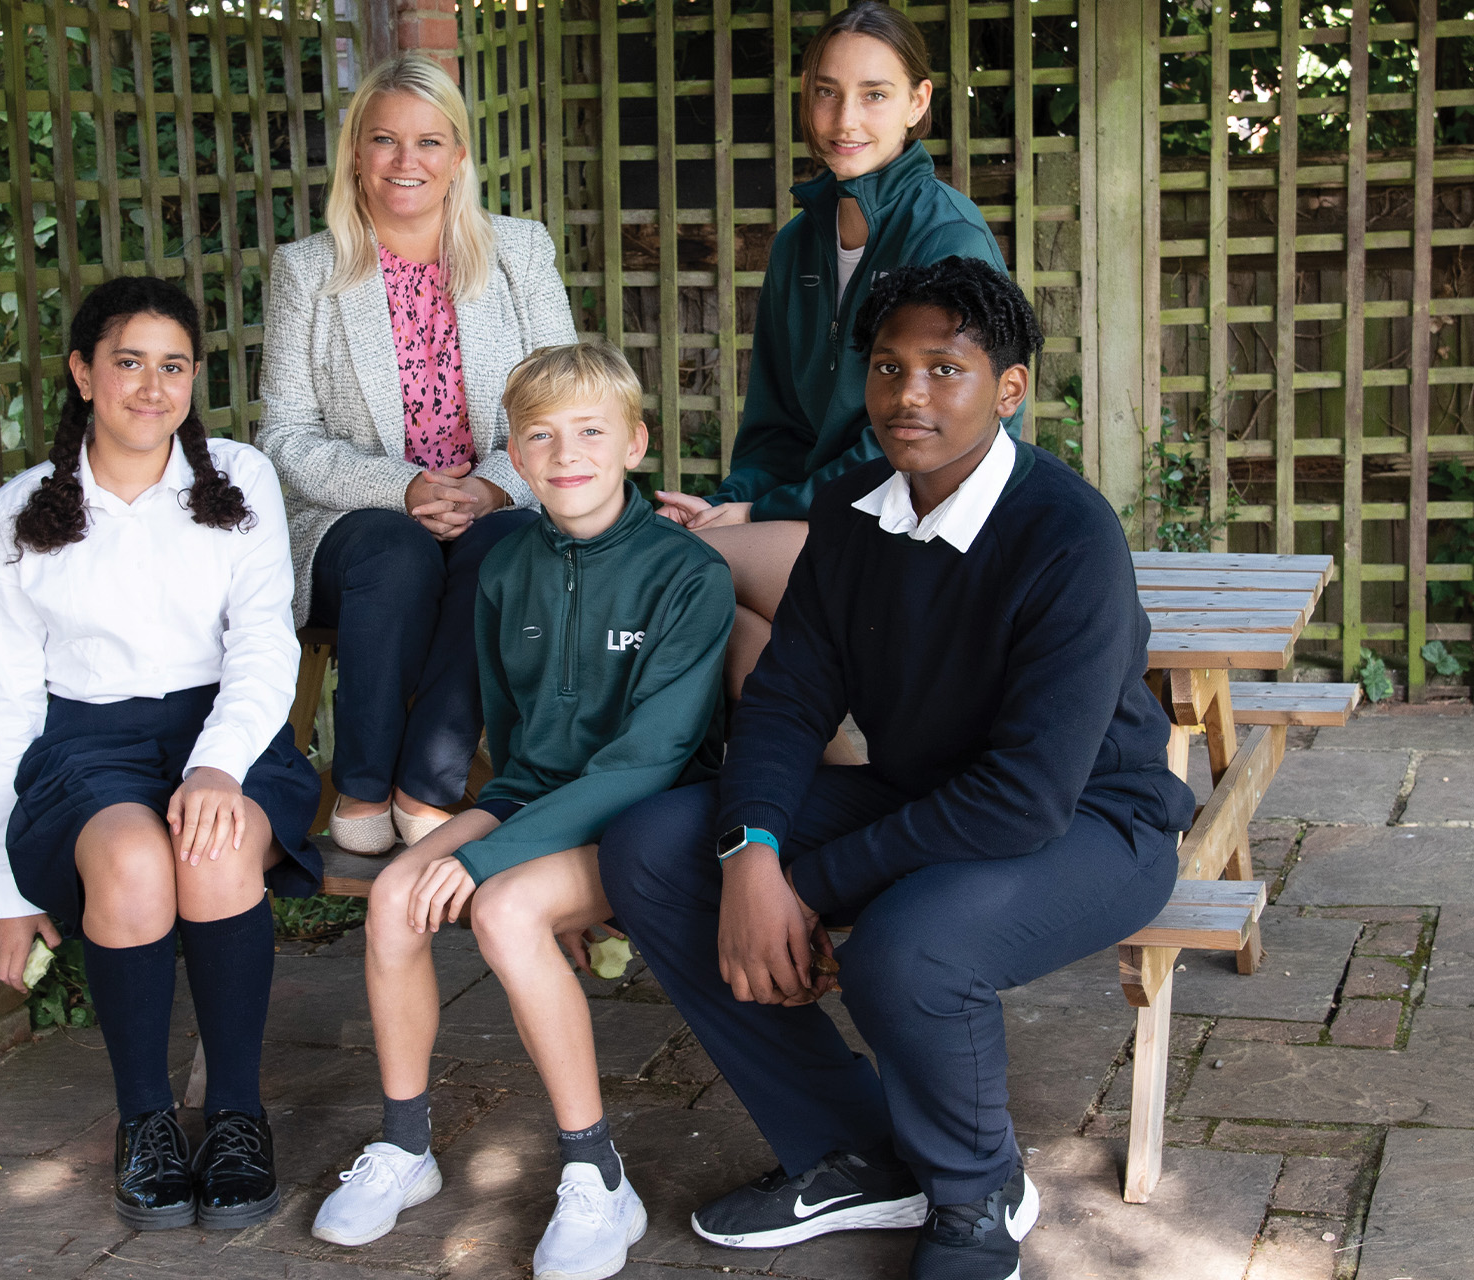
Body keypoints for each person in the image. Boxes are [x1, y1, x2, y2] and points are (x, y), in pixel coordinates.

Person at [600, 258, 1197, 1280]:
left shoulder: (1068, 534)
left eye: (943, 368)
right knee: (655, 847)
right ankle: (861, 1150)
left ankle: (976, 1190)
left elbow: (1025, 794)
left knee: (908, 945)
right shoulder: (854, 511)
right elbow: (788, 698)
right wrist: (752, 852)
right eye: (887, 365)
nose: (908, 393)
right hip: (930, 790)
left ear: (1007, 391)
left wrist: (803, 886)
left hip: (1093, 820)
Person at [310, 343, 735, 1280]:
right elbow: (510, 729)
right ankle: (406, 1148)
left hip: (647, 813)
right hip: (532, 797)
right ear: (515, 452)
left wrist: (498, 856)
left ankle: (597, 1176)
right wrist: (488, 830)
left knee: (501, 908)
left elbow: (653, 755)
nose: (566, 452)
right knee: (393, 897)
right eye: (540, 435)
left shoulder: (685, 575)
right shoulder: (506, 568)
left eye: (590, 431)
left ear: (636, 442)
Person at [0, 276, 323, 1233]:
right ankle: (145, 1123)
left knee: (210, 849)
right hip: (86, 750)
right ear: (85, 374)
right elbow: (7, 704)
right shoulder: (20, 511)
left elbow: (265, 647)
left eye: (173, 366)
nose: (151, 386)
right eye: (128, 363)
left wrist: (215, 764)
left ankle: (239, 1117)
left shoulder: (241, 480)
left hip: (229, 730)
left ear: (194, 379)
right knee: (133, 862)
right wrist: (5, 890)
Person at [258, 52, 577, 854]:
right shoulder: (307, 269)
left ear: (459, 156)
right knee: (399, 554)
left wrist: (491, 489)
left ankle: (423, 786)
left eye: (430, 142)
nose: (407, 162)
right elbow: (286, 435)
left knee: (502, 550)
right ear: (356, 155)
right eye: (385, 141)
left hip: (494, 505)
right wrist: (403, 489)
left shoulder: (518, 253)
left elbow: (564, 405)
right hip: (355, 519)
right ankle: (361, 787)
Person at [653, 2, 1016, 705]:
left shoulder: (945, 237)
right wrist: (726, 505)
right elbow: (779, 424)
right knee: (725, 622)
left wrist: (758, 516)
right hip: (822, 521)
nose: (845, 119)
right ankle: (836, 786)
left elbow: (939, 441)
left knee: (672, 569)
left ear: (917, 103)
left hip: (929, 535)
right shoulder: (798, 244)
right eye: (827, 91)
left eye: (874, 95)